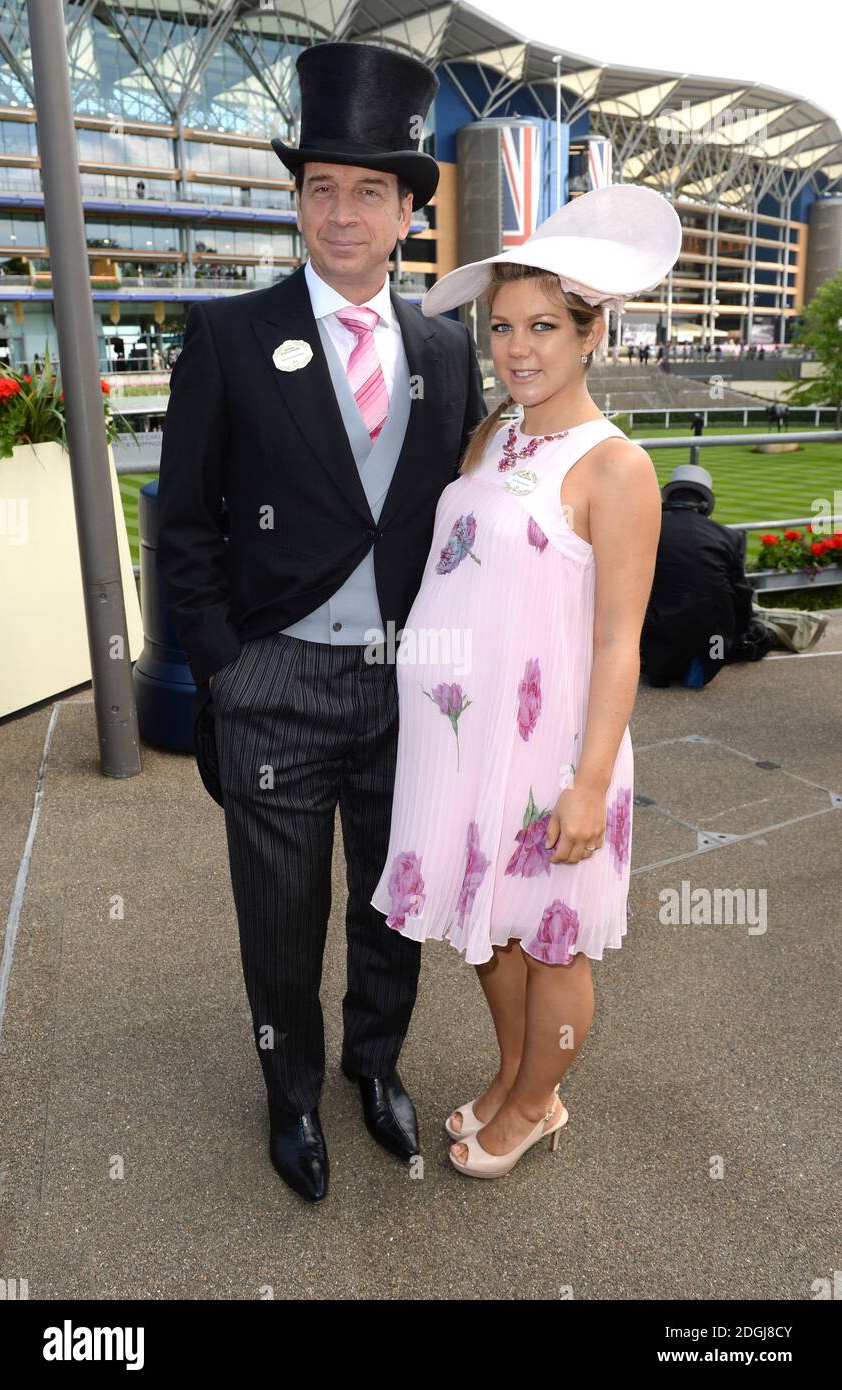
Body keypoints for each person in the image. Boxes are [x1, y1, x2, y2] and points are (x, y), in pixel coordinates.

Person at [156, 41, 486, 1204]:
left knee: (394, 902)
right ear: (297, 200)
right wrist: (228, 673)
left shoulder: (450, 352)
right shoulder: (229, 337)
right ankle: (289, 1091)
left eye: (367, 191)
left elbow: (463, 527)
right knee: (281, 922)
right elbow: (182, 527)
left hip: (409, 688)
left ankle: (374, 1066)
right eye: (319, 187)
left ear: (406, 212)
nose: (340, 213)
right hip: (275, 682)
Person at [370, 184, 683, 1178]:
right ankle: (513, 1078)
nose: (518, 348)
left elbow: (619, 643)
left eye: (545, 326)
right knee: (490, 932)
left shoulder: (615, 467)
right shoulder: (492, 436)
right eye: (502, 326)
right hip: (461, 745)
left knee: (552, 940)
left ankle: (542, 1098)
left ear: (593, 332)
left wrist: (589, 783)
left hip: (550, 753)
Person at [639, 465, 765, 687]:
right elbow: (741, 594)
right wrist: (744, 630)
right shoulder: (728, 536)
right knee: (739, 635)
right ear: (705, 504)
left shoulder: (646, 529)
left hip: (654, 637)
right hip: (712, 641)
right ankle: (700, 665)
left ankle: (662, 665)